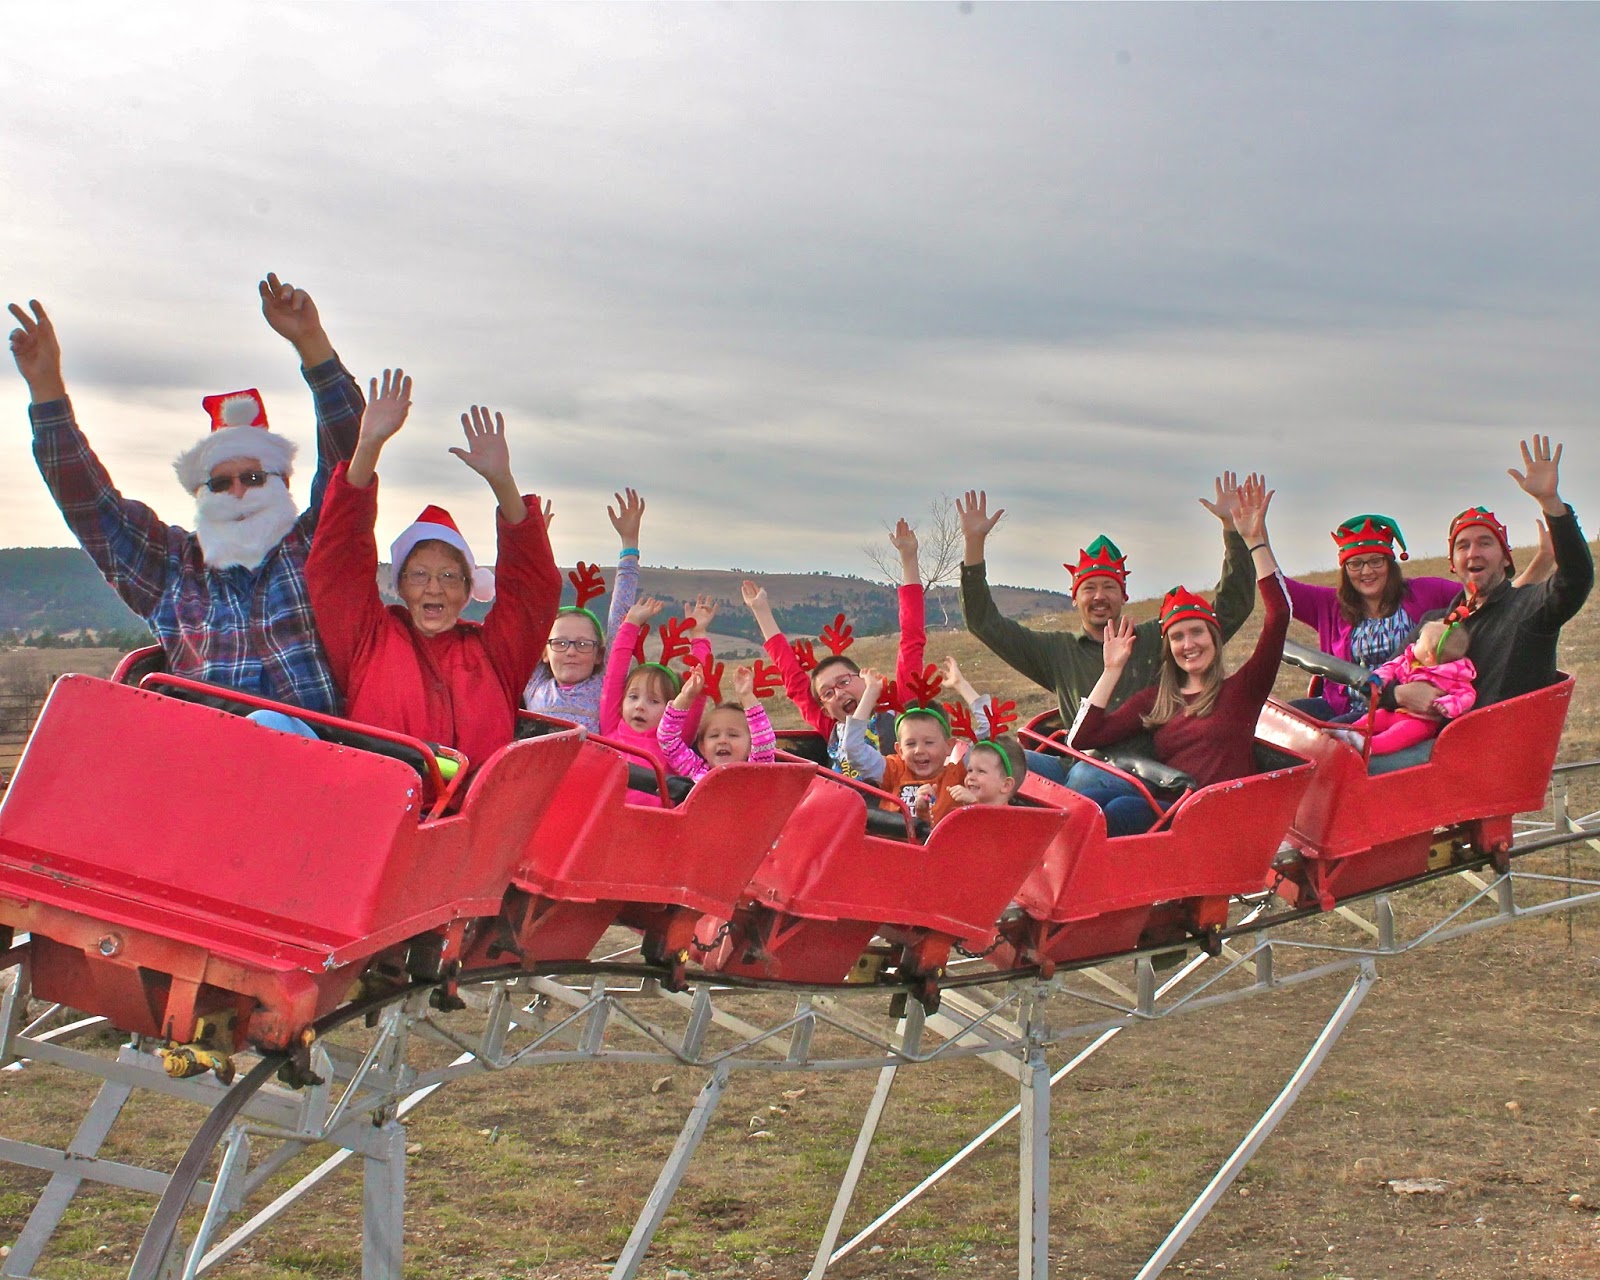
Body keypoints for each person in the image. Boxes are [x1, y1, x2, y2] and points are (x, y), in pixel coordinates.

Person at [8, 278, 363, 713]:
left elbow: (348, 456)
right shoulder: (171, 568)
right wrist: (47, 392)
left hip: (323, 757)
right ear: (200, 493)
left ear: (281, 484)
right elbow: (92, 508)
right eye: (219, 483)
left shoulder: (312, 548)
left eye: (253, 478)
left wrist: (312, 342)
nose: (237, 492)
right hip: (205, 761)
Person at [305, 369, 561, 771]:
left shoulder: (494, 654)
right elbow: (337, 562)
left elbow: (533, 590)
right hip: (383, 813)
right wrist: (368, 445)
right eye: (419, 574)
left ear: (466, 588)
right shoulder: (369, 639)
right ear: (400, 586)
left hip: (477, 823)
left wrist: (502, 482)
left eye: (448, 576)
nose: (434, 589)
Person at [958, 478, 1258, 789]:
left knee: (1083, 777)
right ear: (1074, 597)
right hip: (1076, 763)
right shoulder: (1055, 652)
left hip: (1142, 775)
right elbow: (985, 624)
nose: (1099, 596)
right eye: (1089, 588)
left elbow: (1232, 607)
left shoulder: (1157, 640)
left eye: (1109, 587)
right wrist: (974, 545)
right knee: (986, 760)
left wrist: (1232, 531)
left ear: (1124, 596)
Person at [1068, 475, 1286, 836]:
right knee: (1089, 801)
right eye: (1178, 637)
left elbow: (1278, 616)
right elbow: (1081, 739)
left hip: (1215, 817)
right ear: (1168, 649)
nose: (1189, 644)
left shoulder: (1242, 691)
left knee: (1118, 810)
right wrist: (1111, 670)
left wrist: (1255, 541)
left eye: (1197, 632)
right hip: (1172, 813)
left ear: (1215, 640)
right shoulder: (1157, 701)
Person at [1369, 437, 1592, 775]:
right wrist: (1400, 695)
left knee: (1350, 769)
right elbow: (1383, 680)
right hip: (1417, 744)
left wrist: (1552, 505)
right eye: (1463, 545)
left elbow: (1575, 577)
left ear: (1505, 560)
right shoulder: (1433, 622)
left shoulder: (1529, 609)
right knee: (1330, 751)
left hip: (1482, 766)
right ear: (1453, 563)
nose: (1473, 552)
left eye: (1485, 543)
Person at [1285, 513, 1549, 722]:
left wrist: (1541, 564)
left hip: (1395, 712)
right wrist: (1253, 540)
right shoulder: (1331, 604)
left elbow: (1484, 602)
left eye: (1376, 561)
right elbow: (1280, 592)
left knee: (1332, 745)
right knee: (1276, 722)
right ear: (1345, 570)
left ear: (1390, 564)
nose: (1367, 571)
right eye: (1356, 563)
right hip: (1351, 702)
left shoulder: (1424, 593)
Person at [741, 519, 926, 778]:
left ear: (863, 679)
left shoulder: (900, 712)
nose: (838, 694)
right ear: (825, 709)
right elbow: (794, 681)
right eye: (827, 693)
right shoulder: (832, 727)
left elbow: (911, 640)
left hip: (892, 813)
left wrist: (909, 559)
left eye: (843, 682)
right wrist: (761, 612)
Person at [522, 489, 644, 731]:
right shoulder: (534, 684)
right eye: (560, 643)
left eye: (583, 644)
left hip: (589, 768)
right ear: (544, 652)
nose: (571, 652)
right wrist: (536, 546)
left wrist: (629, 545)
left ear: (599, 654)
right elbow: (528, 607)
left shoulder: (603, 686)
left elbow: (619, 616)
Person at [842, 661, 994, 826]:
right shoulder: (894, 771)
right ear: (899, 750)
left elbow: (990, 730)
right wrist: (870, 694)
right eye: (910, 744)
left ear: (949, 746)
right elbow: (853, 748)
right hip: (896, 847)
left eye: (929, 742)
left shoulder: (958, 774)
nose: (919, 750)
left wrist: (961, 685)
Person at [602, 595, 716, 792]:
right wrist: (631, 624)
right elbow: (614, 675)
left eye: (654, 701)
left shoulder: (675, 745)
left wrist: (698, 634)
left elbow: (697, 687)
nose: (639, 706)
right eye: (633, 696)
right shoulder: (612, 728)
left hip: (653, 822)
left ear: (672, 709)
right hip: (607, 819)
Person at [1330, 618, 1475, 757]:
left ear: (1429, 656)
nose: (1414, 643)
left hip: (1421, 722)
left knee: (1398, 735)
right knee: (1375, 717)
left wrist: (1448, 705)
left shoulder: (1453, 675)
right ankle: (1350, 731)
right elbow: (1391, 666)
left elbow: (1466, 695)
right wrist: (1379, 679)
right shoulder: (1410, 660)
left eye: (1418, 642)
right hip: (1395, 711)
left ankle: (1369, 746)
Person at [656, 664, 777, 780]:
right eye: (714, 736)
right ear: (702, 747)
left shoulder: (757, 769)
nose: (722, 740)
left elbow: (764, 740)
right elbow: (667, 738)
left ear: (751, 746)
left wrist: (746, 696)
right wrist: (686, 696)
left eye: (733, 735)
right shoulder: (695, 770)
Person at [944, 736, 1028, 813]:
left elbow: (989, 824)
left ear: (1006, 785)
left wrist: (975, 805)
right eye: (970, 770)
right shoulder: (964, 804)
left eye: (981, 771)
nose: (971, 777)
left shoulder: (1010, 820)